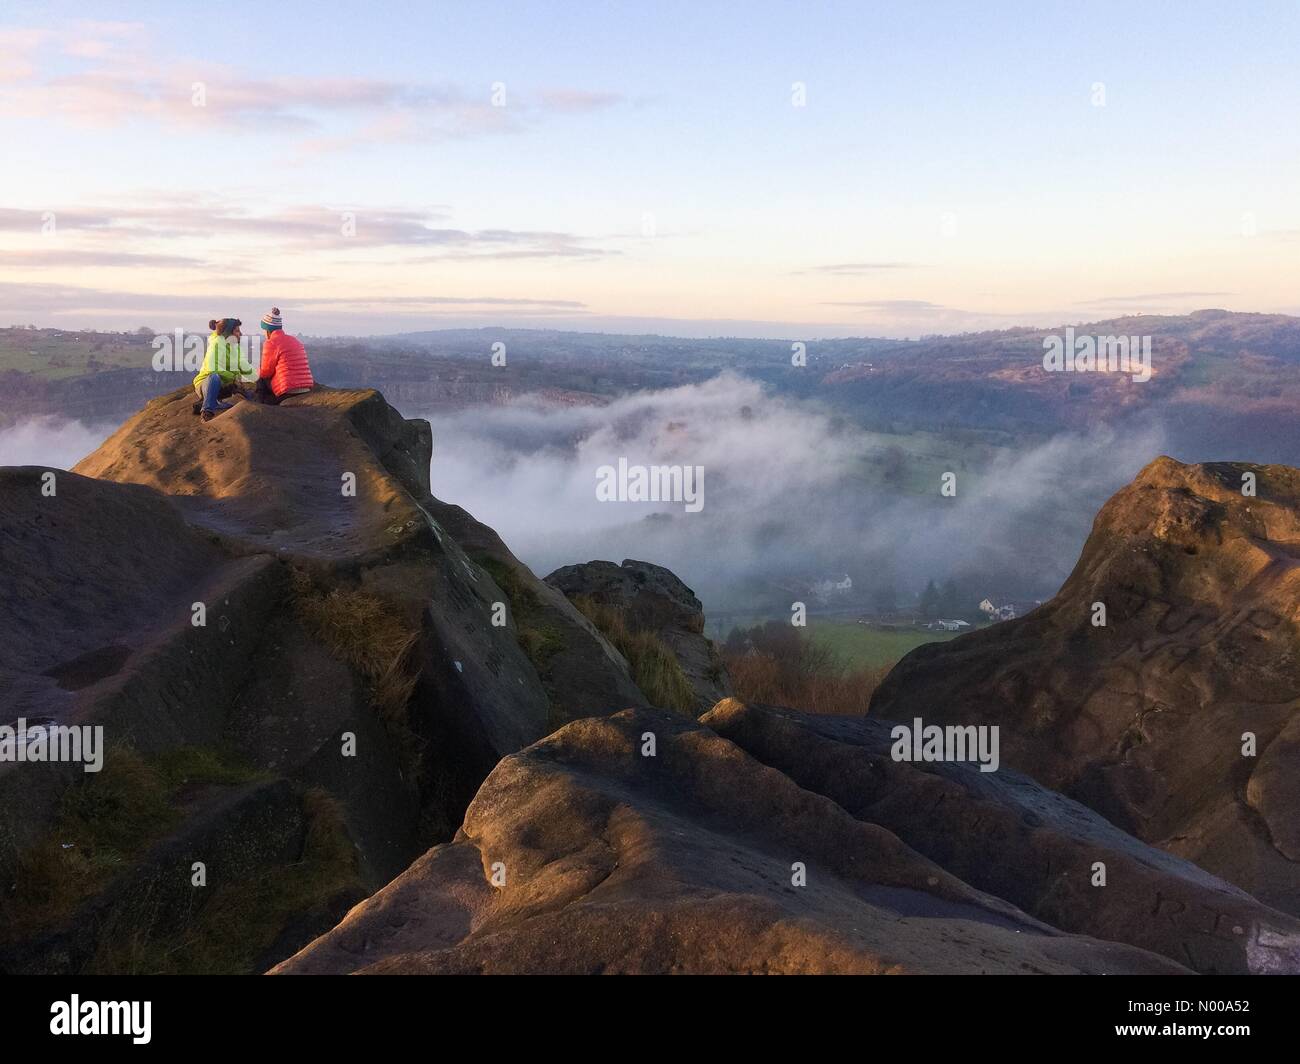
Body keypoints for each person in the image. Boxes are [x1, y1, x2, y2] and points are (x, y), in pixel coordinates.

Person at [255, 307, 314, 404]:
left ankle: (260, 404)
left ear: (267, 330)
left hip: (287, 390)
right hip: (305, 388)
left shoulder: (271, 343)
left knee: (259, 375)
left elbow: (266, 372)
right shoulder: (295, 340)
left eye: (264, 330)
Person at [193, 318, 248, 421]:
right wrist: (233, 377)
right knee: (215, 377)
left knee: (249, 397)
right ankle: (207, 411)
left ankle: (212, 403)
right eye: (237, 331)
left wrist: (238, 379)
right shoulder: (216, 345)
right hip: (206, 383)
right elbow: (213, 369)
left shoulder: (233, 348)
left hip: (223, 385)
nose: (240, 334)